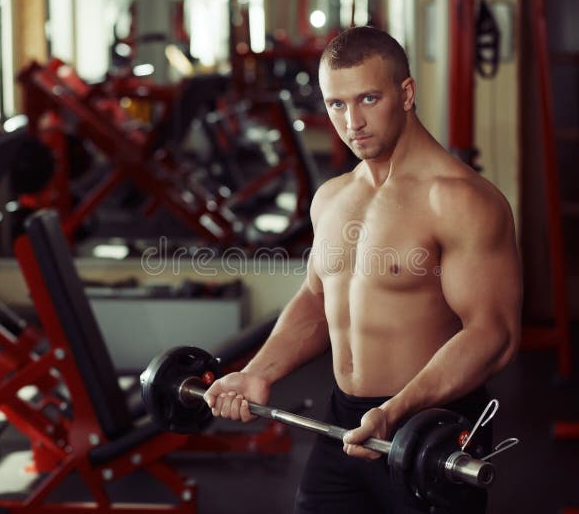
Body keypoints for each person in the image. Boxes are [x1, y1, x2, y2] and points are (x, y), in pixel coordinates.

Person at [203, 26, 522, 513]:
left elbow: (493, 334)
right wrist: (257, 373)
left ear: (406, 94)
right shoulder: (332, 198)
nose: (353, 122)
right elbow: (317, 299)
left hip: (430, 428)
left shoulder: (459, 200)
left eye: (368, 99)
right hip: (344, 425)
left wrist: (396, 410)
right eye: (336, 104)